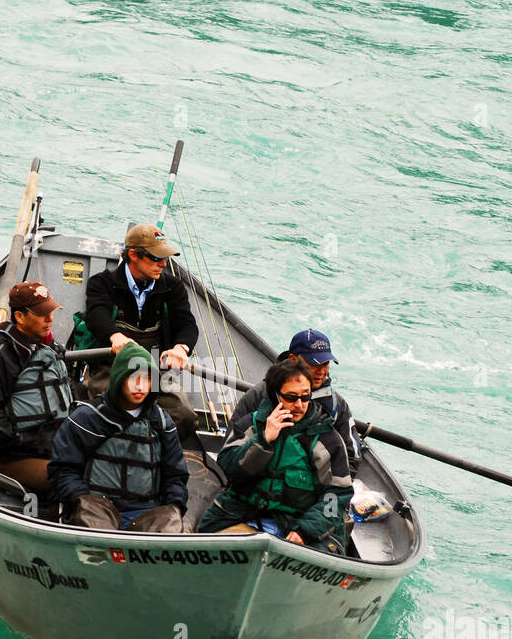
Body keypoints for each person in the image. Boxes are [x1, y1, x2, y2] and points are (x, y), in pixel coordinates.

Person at [197, 359, 352, 553]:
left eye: (305, 397)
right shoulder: (251, 425)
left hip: (302, 527)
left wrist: (305, 532)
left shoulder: (328, 439)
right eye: (291, 397)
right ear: (276, 395)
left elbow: (337, 496)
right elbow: (229, 469)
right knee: (203, 543)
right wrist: (263, 441)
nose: (299, 404)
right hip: (243, 515)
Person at [48, 343, 189, 532]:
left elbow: (175, 476)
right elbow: (64, 470)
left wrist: (175, 506)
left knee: (170, 525)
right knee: (95, 528)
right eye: (133, 378)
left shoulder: (162, 422)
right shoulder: (87, 418)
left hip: (147, 511)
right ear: (119, 379)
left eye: (147, 379)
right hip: (96, 507)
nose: (140, 386)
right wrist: (79, 499)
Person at [79, 223, 200, 438]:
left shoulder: (173, 287)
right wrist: (115, 336)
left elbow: (186, 323)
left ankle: (151, 456)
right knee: (108, 414)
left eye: (165, 258)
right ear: (133, 255)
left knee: (185, 417)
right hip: (109, 367)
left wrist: (181, 348)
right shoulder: (101, 283)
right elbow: (96, 316)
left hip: (154, 371)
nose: (163, 264)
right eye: (156, 258)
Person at [0, 281, 73, 500]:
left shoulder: (44, 348)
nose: (50, 319)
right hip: (13, 457)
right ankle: (57, 527)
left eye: (51, 311)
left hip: (52, 445)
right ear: (20, 317)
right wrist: (28, 442)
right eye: (42, 314)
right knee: (69, 480)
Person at [229, 328, 361, 474]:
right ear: (293, 359)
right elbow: (230, 449)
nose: (321, 371)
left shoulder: (337, 405)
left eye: (325, 364)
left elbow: (352, 457)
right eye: (314, 364)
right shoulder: (258, 395)